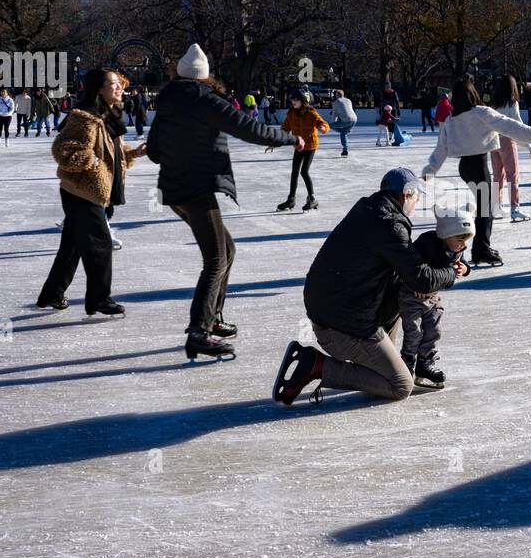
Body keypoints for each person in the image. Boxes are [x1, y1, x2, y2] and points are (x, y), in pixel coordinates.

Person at [146, 44, 302, 360]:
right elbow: (250, 128)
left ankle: (212, 318)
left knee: (226, 250)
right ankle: (198, 331)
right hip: (196, 189)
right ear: (204, 76)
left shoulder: (167, 104)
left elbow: (154, 152)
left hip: (175, 191)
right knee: (216, 258)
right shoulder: (205, 101)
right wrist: (290, 138)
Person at [272, 167, 468, 406]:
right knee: (400, 385)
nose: (417, 203)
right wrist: (451, 272)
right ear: (406, 195)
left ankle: (383, 364)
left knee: (401, 283)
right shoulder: (390, 224)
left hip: (335, 309)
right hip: (341, 326)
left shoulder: (369, 210)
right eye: (416, 197)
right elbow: (422, 279)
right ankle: (318, 366)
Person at [38, 67, 144, 318]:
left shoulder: (107, 116)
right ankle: (99, 299)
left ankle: (52, 293)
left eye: (120, 84)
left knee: (72, 246)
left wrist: (132, 154)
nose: (119, 88)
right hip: (83, 192)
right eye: (114, 84)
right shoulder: (84, 118)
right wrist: (92, 163)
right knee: (100, 246)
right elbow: (63, 150)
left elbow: (110, 153)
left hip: (91, 191)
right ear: (99, 89)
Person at [421, 78, 531, 267]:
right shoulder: (481, 112)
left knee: (484, 207)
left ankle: (480, 246)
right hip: (478, 166)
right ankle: (481, 249)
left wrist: (430, 170)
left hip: (465, 167)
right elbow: (510, 125)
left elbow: (441, 149)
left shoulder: (451, 120)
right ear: (473, 93)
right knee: (486, 209)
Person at [400, 199, 474, 387]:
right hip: (412, 296)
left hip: (433, 297)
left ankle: (425, 362)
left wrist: (464, 268)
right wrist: (417, 285)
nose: (462, 245)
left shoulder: (457, 247)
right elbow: (411, 267)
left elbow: (463, 263)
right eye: (459, 240)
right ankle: (406, 365)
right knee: (414, 333)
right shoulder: (426, 243)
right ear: (445, 234)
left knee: (435, 329)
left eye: (466, 241)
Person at [488, 74, 531, 222]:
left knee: (497, 176)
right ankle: (515, 209)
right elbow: (518, 125)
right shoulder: (512, 103)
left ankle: (496, 207)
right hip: (506, 140)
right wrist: (528, 143)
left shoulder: (493, 104)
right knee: (513, 175)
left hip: (493, 141)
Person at [278, 90, 329, 211]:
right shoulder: (291, 114)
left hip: (310, 146)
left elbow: (323, 123)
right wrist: (275, 142)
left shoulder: (311, 112)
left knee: (304, 172)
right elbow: (284, 129)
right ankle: (291, 199)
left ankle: (312, 199)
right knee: (294, 172)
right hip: (299, 146)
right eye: (292, 100)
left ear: (303, 101)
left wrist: (323, 128)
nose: (293, 102)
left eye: (296, 100)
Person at [329, 89, 357, 157]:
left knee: (329, 126)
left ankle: (344, 131)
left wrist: (333, 123)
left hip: (346, 120)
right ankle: (345, 150)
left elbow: (334, 114)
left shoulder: (336, 102)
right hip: (354, 119)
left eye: (336, 95)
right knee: (343, 133)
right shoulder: (348, 100)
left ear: (337, 95)